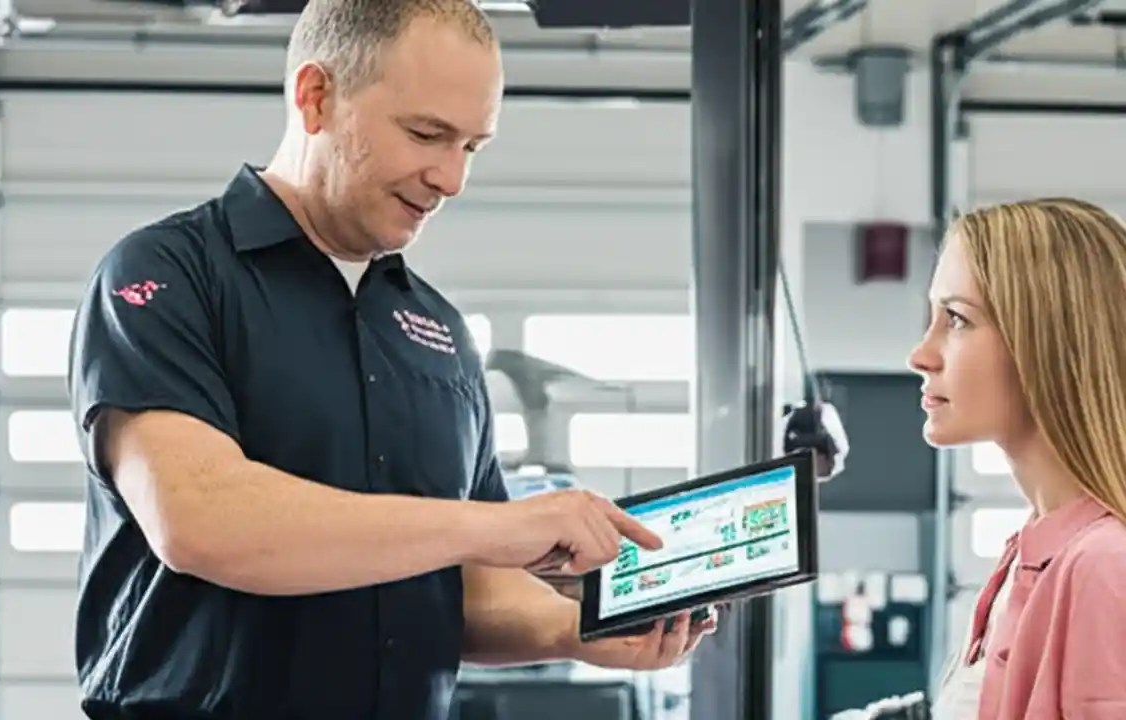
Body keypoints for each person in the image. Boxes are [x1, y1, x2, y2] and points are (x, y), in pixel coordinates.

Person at [66, 1, 715, 718]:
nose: (452, 179)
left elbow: (461, 586)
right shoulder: (170, 276)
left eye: (472, 147)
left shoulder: (435, 328)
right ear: (316, 98)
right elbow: (201, 520)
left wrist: (582, 630)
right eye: (427, 134)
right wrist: (501, 527)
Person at [908, 198, 1126, 719]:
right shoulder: (1032, 550)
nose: (920, 354)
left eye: (957, 319)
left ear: (1048, 343)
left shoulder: (1103, 566)